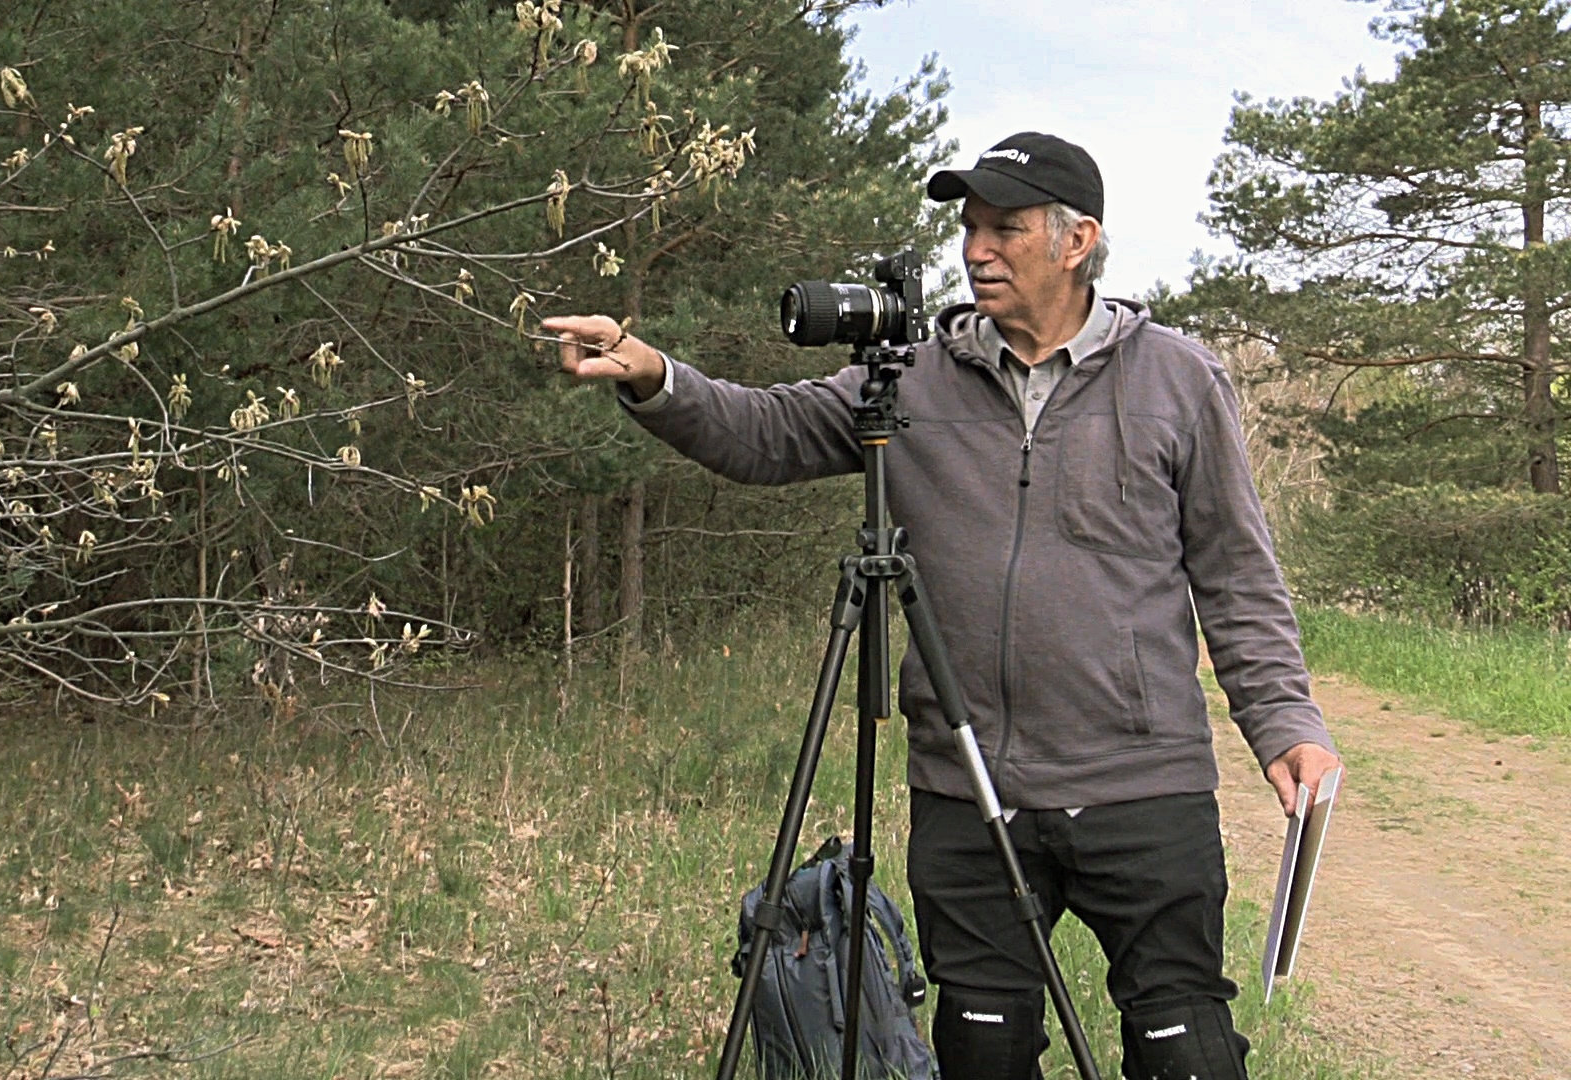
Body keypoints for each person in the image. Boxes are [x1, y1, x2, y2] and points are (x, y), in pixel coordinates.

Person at [544, 131, 1340, 1080]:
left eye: (1005, 228)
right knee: (980, 1051)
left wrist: (1284, 720)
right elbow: (762, 433)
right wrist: (652, 375)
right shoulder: (912, 378)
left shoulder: (1176, 379)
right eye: (970, 228)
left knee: (1185, 1049)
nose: (976, 250)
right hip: (970, 789)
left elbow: (1236, 575)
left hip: (1142, 781)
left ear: (1077, 240)